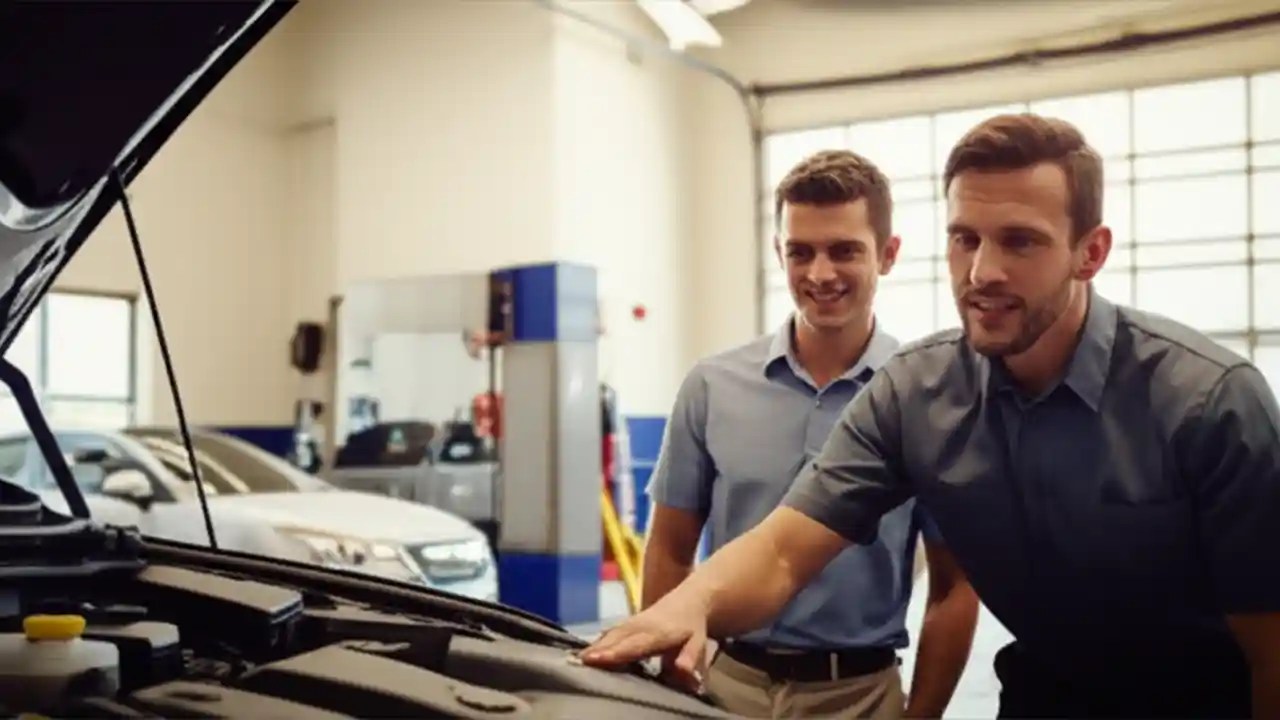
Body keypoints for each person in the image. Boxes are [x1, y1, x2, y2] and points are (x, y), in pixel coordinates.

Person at [580, 113, 1280, 719]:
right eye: (965, 238)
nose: (981, 273)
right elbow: (784, 548)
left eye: (1020, 241)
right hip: (1042, 694)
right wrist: (683, 607)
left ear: (1090, 253)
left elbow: (1272, 651)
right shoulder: (914, 393)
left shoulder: (1209, 404)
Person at [641, 149, 978, 720]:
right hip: (725, 688)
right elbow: (670, 550)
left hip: (860, 697)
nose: (820, 274)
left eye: (844, 250)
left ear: (888, 254)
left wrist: (920, 716)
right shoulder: (712, 387)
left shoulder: (928, 399)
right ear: (779, 253)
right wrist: (665, 688)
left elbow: (953, 587)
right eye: (801, 252)